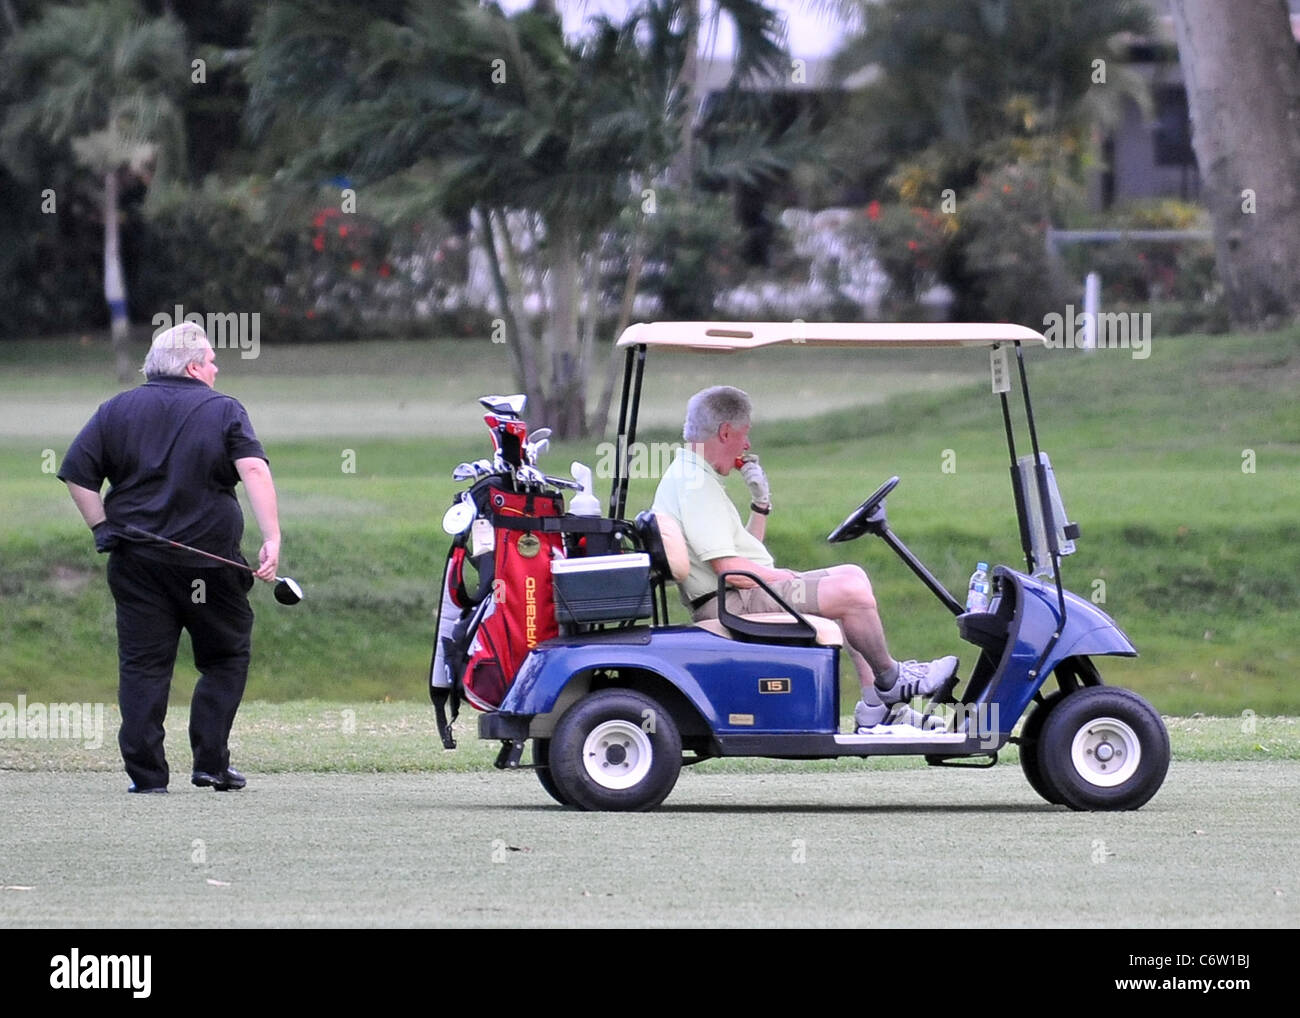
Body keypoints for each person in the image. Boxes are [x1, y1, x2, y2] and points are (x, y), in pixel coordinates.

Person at [653, 385, 957, 735]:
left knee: (851, 575)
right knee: (849, 592)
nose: (747, 445)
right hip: (729, 601)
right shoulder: (695, 485)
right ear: (725, 432)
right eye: (745, 434)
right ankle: (891, 680)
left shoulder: (692, 475)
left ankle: (877, 709)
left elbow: (743, 552)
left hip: (732, 594)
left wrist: (760, 503)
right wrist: (782, 577)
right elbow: (731, 571)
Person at [58, 323, 282, 792]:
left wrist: (102, 528)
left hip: (137, 563)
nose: (217, 368)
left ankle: (147, 777)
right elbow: (254, 468)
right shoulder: (224, 409)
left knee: (143, 665)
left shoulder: (117, 408)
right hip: (211, 567)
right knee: (224, 658)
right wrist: (272, 537)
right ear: (193, 366)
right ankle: (210, 763)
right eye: (212, 360)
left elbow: (78, 475)